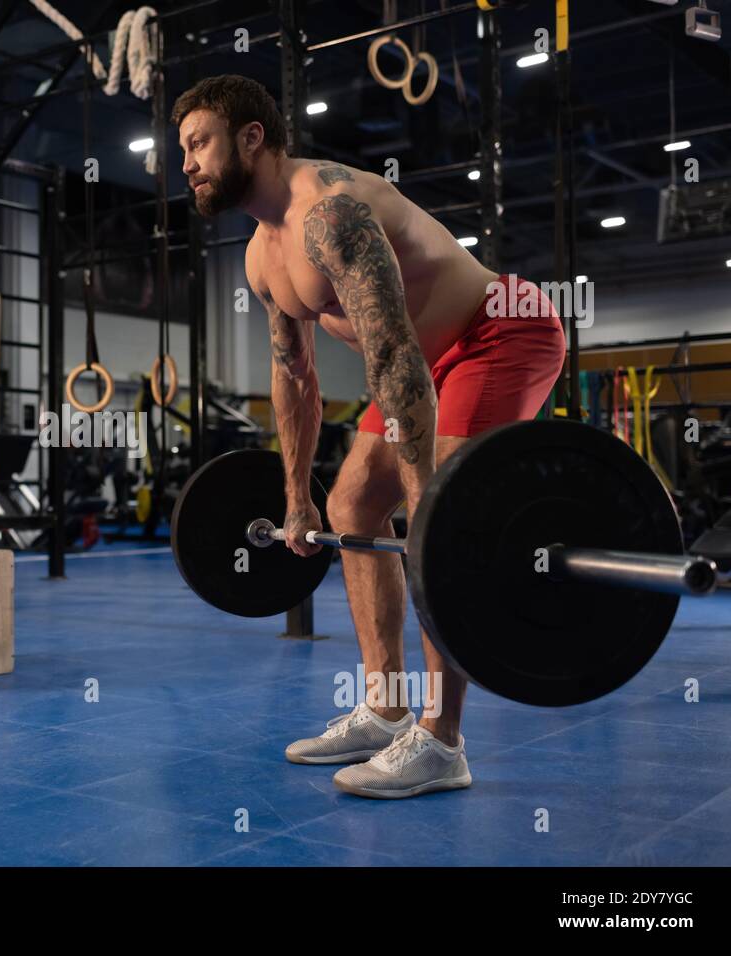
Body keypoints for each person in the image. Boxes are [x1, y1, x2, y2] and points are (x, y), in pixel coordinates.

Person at [172, 75, 566, 798]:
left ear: (251, 138)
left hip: (500, 332)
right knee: (349, 509)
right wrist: (295, 496)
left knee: (438, 515)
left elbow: (391, 356)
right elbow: (294, 377)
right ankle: (385, 711)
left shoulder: (332, 213)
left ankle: (443, 743)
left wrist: (432, 510)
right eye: (183, 150)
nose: (187, 164)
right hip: (431, 357)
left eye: (198, 144)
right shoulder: (263, 255)